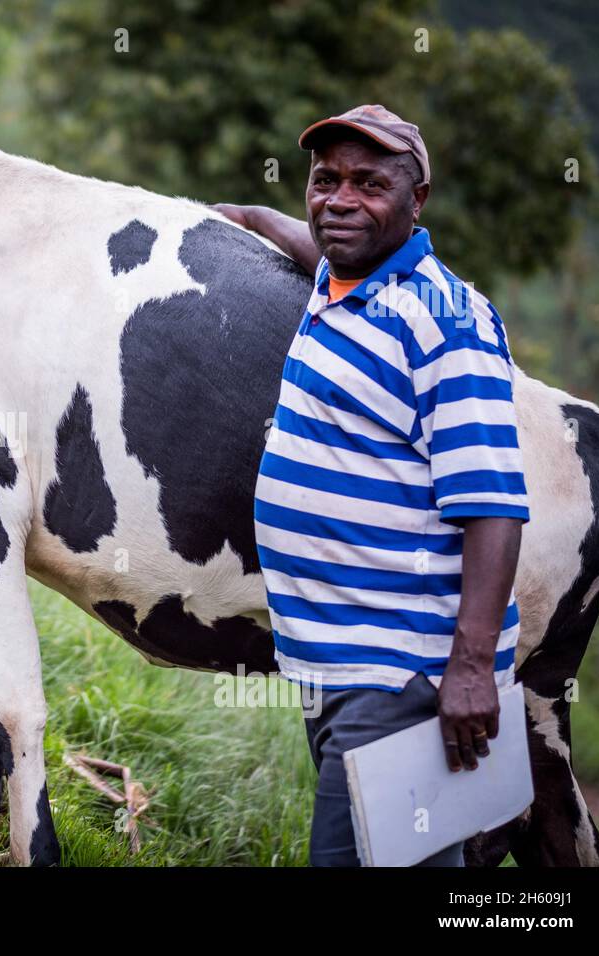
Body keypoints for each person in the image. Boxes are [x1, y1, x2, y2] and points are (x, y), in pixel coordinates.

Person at [214, 105, 529, 866]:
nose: (340, 200)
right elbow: (306, 237)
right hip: (337, 662)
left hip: (400, 673)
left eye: (369, 183)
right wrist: (237, 216)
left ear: (417, 200)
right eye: (326, 182)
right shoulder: (341, 278)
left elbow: (492, 506)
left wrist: (469, 669)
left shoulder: (447, 321)